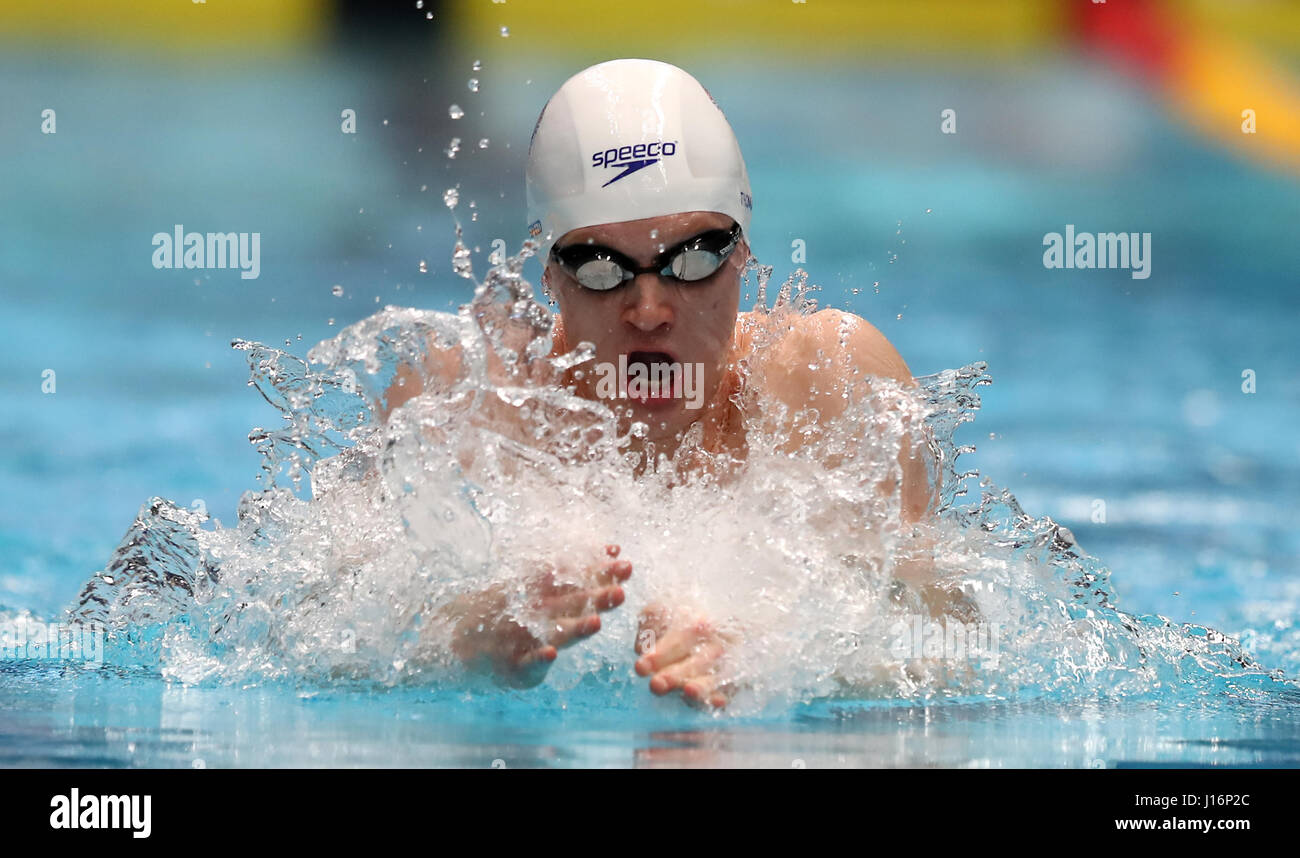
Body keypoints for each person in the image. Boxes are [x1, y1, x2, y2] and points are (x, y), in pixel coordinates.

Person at [386, 59, 937, 708]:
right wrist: (461, 638)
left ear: (743, 254)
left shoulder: (826, 381)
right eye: (599, 265)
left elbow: (951, 640)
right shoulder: (471, 395)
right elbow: (315, 629)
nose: (648, 311)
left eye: (694, 257)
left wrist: (769, 653)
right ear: (549, 276)